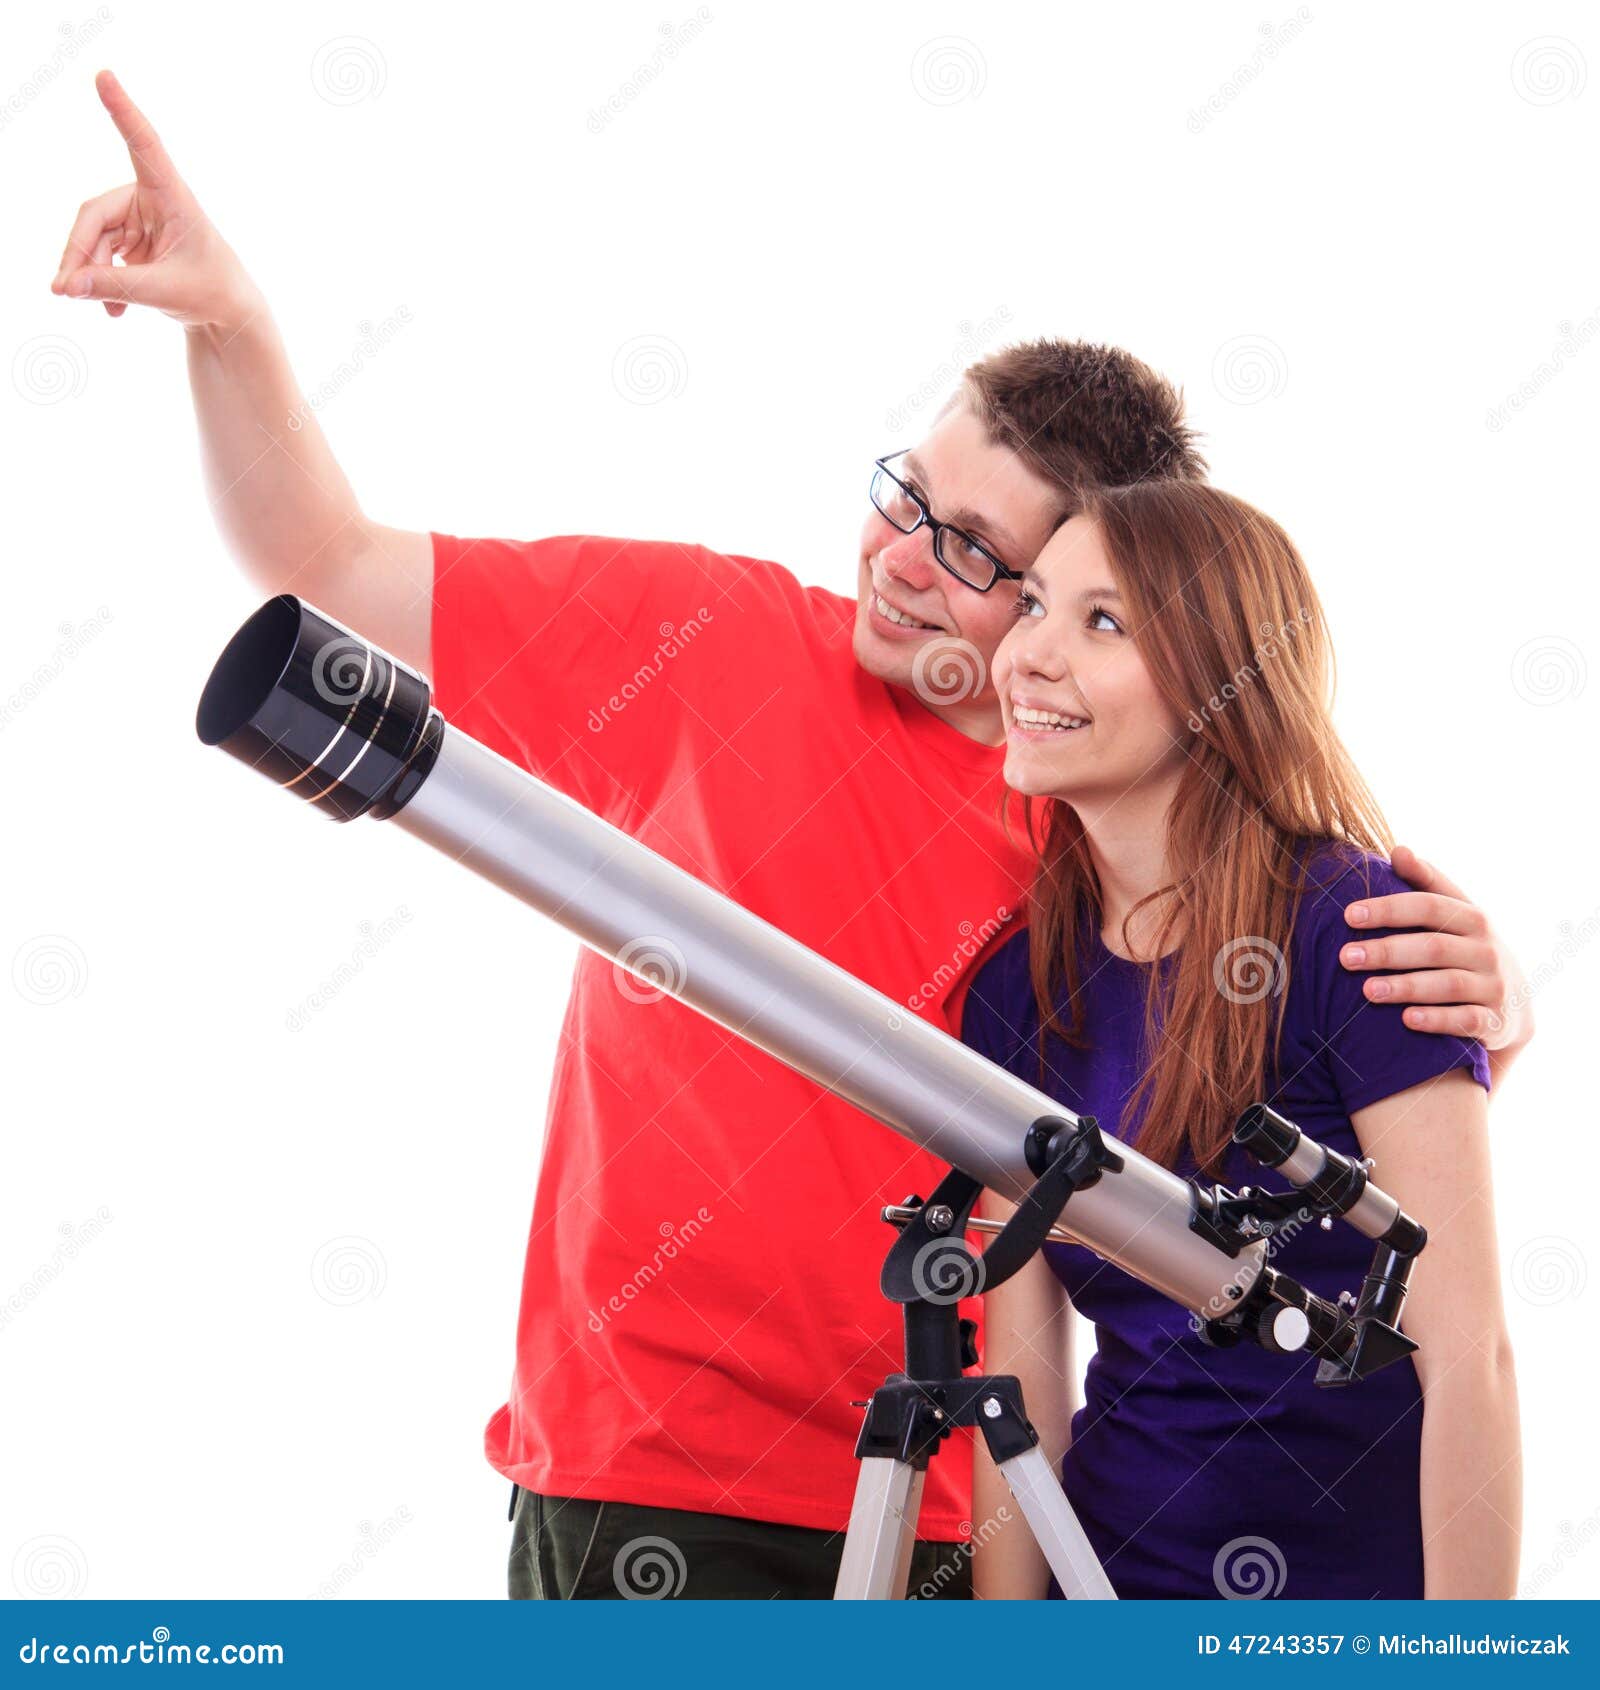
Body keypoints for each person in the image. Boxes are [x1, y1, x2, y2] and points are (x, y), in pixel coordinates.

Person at [53, 69, 1533, 1599]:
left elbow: (1279, 1071)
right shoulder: (712, 639)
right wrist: (229, 322)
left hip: (967, 1502)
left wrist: (1487, 1000)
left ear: (1082, 599)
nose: (900, 561)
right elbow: (326, 562)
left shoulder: (1103, 830)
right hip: (641, 1468)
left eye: (976, 553)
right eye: (909, 493)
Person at [960, 482, 1522, 1599]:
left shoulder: (1356, 932)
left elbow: (1471, 1361)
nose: (1030, 653)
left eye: (1102, 621)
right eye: (1032, 604)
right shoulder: (1014, 993)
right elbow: (1015, 1387)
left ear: (1220, 682)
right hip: (1105, 1590)